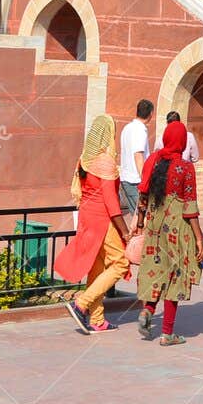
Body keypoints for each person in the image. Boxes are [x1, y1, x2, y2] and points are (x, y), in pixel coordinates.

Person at [133, 120, 203, 346]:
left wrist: (141, 223)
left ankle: (147, 309)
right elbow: (190, 207)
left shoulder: (153, 161)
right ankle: (167, 334)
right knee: (175, 276)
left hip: (155, 226)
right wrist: (199, 239)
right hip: (177, 228)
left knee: (156, 271)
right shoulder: (185, 167)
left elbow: (143, 196)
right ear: (182, 142)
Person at [60, 115, 135, 334]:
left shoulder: (84, 159)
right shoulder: (105, 162)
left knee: (97, 266)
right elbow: (111, 201)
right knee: (121, 263)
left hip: (87, 217)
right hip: (102, 219)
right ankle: (82, 303)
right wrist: (125, 231)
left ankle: (97, 319)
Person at [119, 99, 155, 218]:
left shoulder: (127, 128)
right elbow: (138, 154)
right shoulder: (140, 130)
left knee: (136, 216)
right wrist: (144, 179)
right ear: (151, 113)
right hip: (136, 180)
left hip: (127, 178)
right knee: (142, 218)